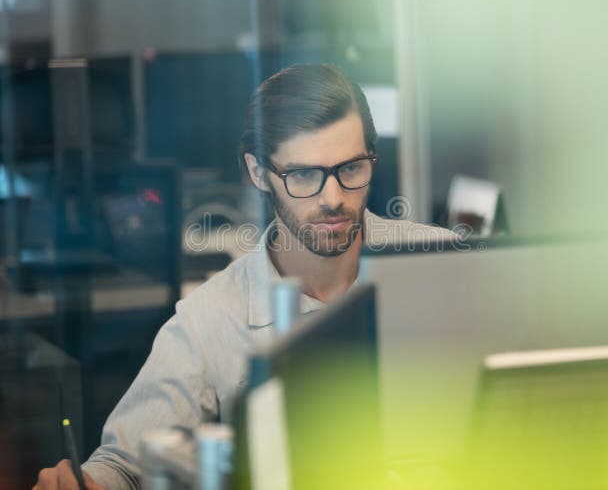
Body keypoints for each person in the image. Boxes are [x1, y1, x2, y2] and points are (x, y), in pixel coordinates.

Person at [34, 64, 455, 489]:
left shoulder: (444, 262)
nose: (334, 198)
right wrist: (85, 483)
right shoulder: (208, 319)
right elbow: (126, 465)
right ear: (258, 172)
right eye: (304, 175)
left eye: (351, 169)